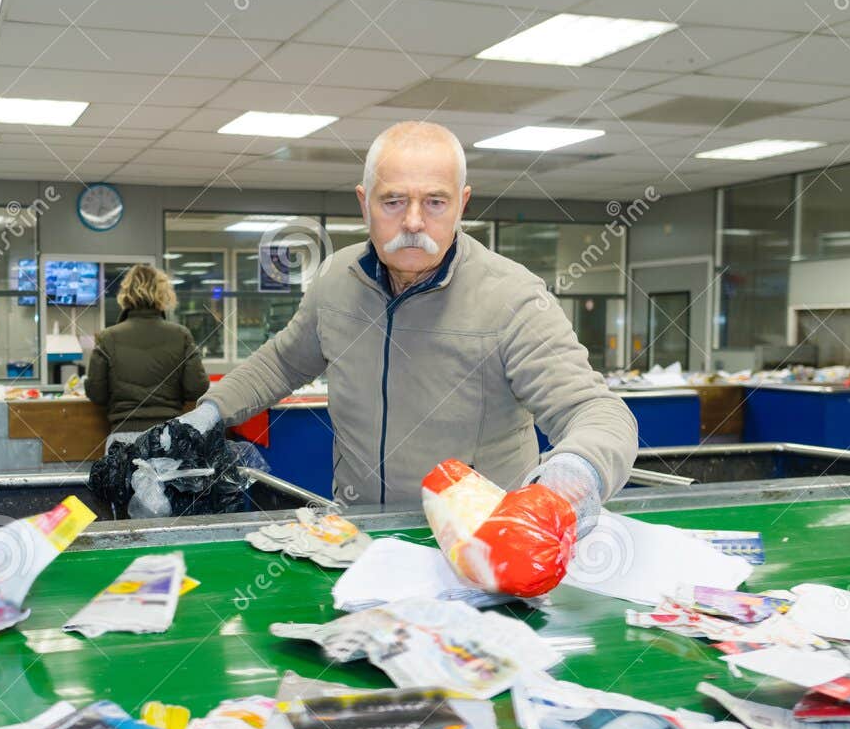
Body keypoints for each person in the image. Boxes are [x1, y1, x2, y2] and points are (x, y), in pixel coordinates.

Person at [148, 121, 637, 533]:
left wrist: (576, 473)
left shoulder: (512, 298)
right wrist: (207, 414)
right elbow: (280, 361)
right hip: (359, 535)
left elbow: (595, 411)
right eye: (393, 201)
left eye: (435, 202)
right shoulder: (336, 281)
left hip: (480, 550)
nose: (414, 222)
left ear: (463, 203)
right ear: (364, 203)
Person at [84, 263, 209, 436]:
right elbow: (197, 388)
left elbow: (97, 394)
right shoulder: (181, 335)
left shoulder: (107, 338)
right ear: (163, 294)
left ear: (125, 294)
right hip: (168, 436)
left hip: (123, 435)